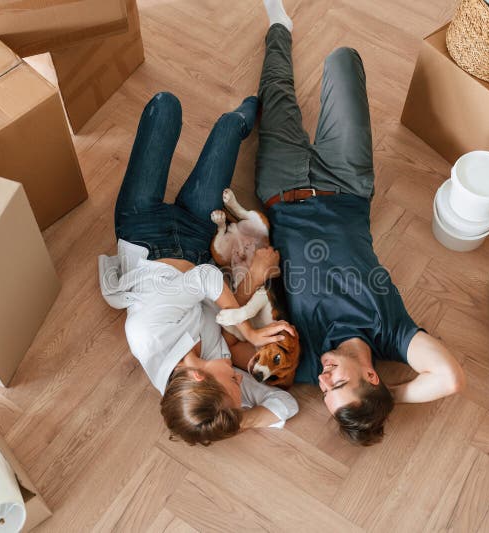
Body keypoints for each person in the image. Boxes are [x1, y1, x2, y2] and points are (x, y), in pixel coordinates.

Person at [255, 1, 466, 445]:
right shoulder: (391, 331)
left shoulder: (306, 359)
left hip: (282, 191)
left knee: (276, 89)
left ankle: (279, 26)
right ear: (371, 374)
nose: (324, 381)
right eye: (339, 385)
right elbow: (449, 379)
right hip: (346, 185)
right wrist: (391, 396)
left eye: (324, 392)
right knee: (343, 59)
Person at [98, 91, 298, 445]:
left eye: (233, 383)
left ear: (199, 379)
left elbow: (204, 280)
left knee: (165, 105)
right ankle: (257, 103)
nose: (241, 379)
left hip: (143, 230)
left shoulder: (147, 335)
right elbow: (285, 404)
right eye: (241, 389)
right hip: (194, 238)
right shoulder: (216, 372)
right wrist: (239, 421)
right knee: (227, 128)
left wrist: (249, 333)